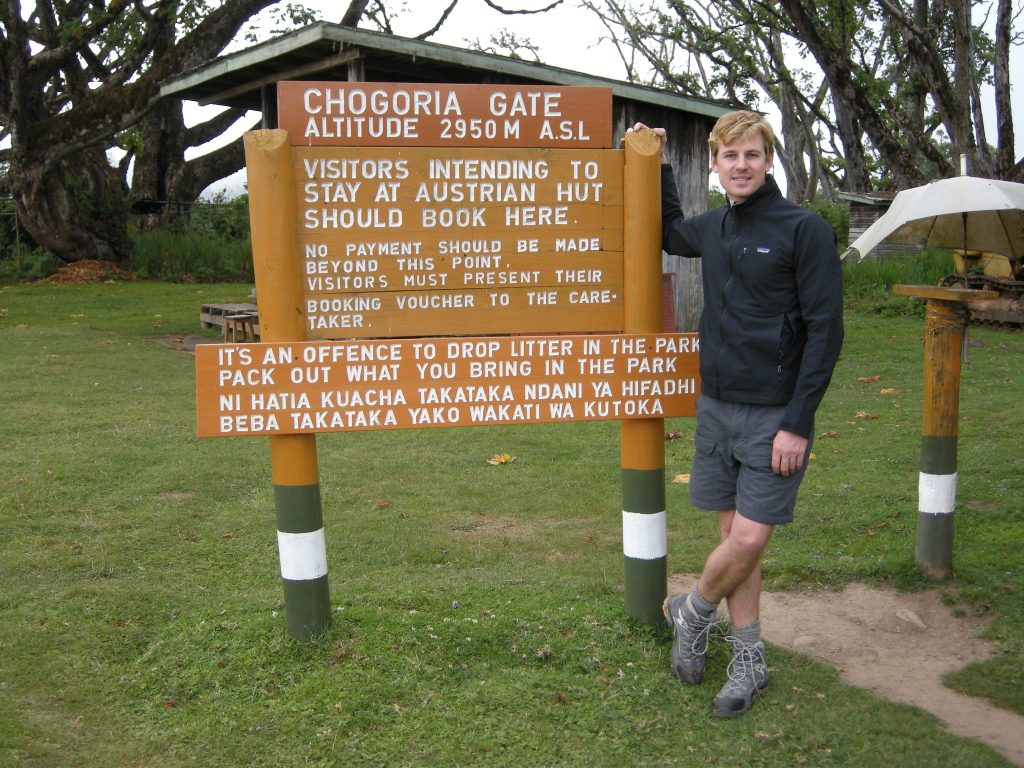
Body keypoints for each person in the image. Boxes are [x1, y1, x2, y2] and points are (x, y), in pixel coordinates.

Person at [630, 111, 844, 717]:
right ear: (717, 165)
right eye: (730, 157)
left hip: (774, 415)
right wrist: (661, 160)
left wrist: (799, 421)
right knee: (733, 539)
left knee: (750, 536)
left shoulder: (804, 231)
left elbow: (826, 330)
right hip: (717, 407)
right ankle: (749, 658)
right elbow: (670, 232)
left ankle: (692, 612)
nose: (742, 166)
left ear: (769, 160)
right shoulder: (717, 227)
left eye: (752, 155)